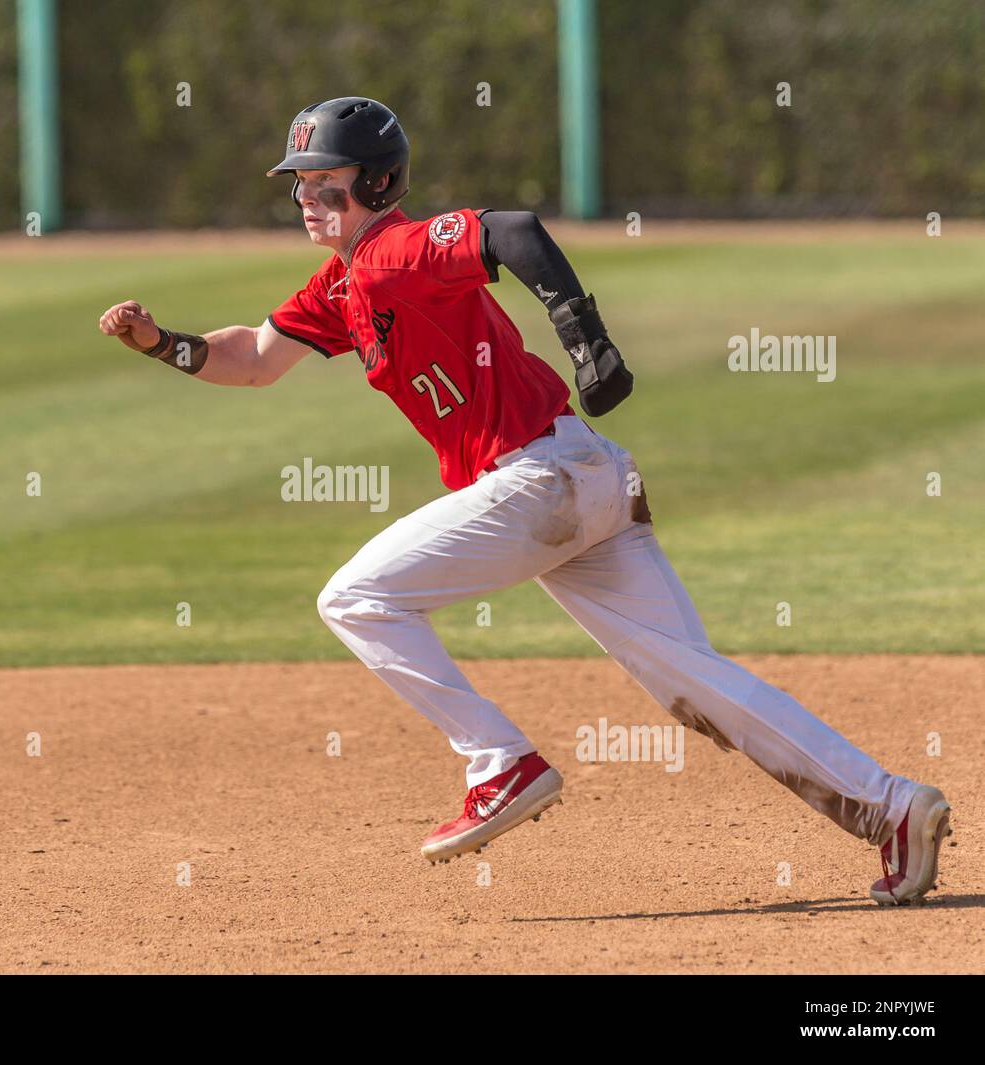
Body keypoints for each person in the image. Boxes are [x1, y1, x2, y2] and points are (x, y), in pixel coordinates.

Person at [99, 97, 950, 904]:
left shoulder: (396, 251)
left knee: (354, 597)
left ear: (381, 185)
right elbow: (250, 355)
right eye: (299, 186)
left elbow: (512, 230)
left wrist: (585, 334)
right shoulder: (343, 284)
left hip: (536, 481)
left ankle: (498, 761)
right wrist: (159, 343)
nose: (308, 199)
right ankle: (892, 806)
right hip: (583, 481)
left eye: (327, 183)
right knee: (696, 686)